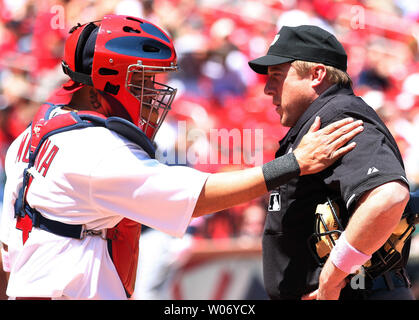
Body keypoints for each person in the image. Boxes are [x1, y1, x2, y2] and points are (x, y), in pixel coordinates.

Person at [0, 16, 363, 300]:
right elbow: (197, 197)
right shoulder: (96, 150)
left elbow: (7, 250)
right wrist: (294, 163)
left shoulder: (33, 135)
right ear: (101, 89)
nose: (152, 93)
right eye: (141, 82)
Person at [248, 24, 414, 300]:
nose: (267, 88)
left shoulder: (338, 117)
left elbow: (389, 196)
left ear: (316, 75)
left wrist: (333, 275)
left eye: (277, 75)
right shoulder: (318, 120)